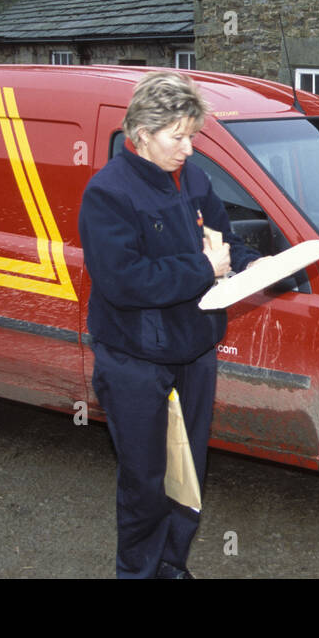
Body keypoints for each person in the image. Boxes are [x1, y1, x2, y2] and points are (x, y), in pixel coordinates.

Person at [79, 70, 261, 579]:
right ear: (142, 134)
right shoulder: (108, 193)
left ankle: (170, 566)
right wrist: (206, 269)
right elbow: (124, 281)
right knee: (145, 480)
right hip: (135, 360)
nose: (188, 147)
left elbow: (227, 242)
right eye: (177, 136)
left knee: (188, 475)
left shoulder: (195, 180)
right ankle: (137, 573)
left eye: (192, 134)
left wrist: (258, 266)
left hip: (195, 351)